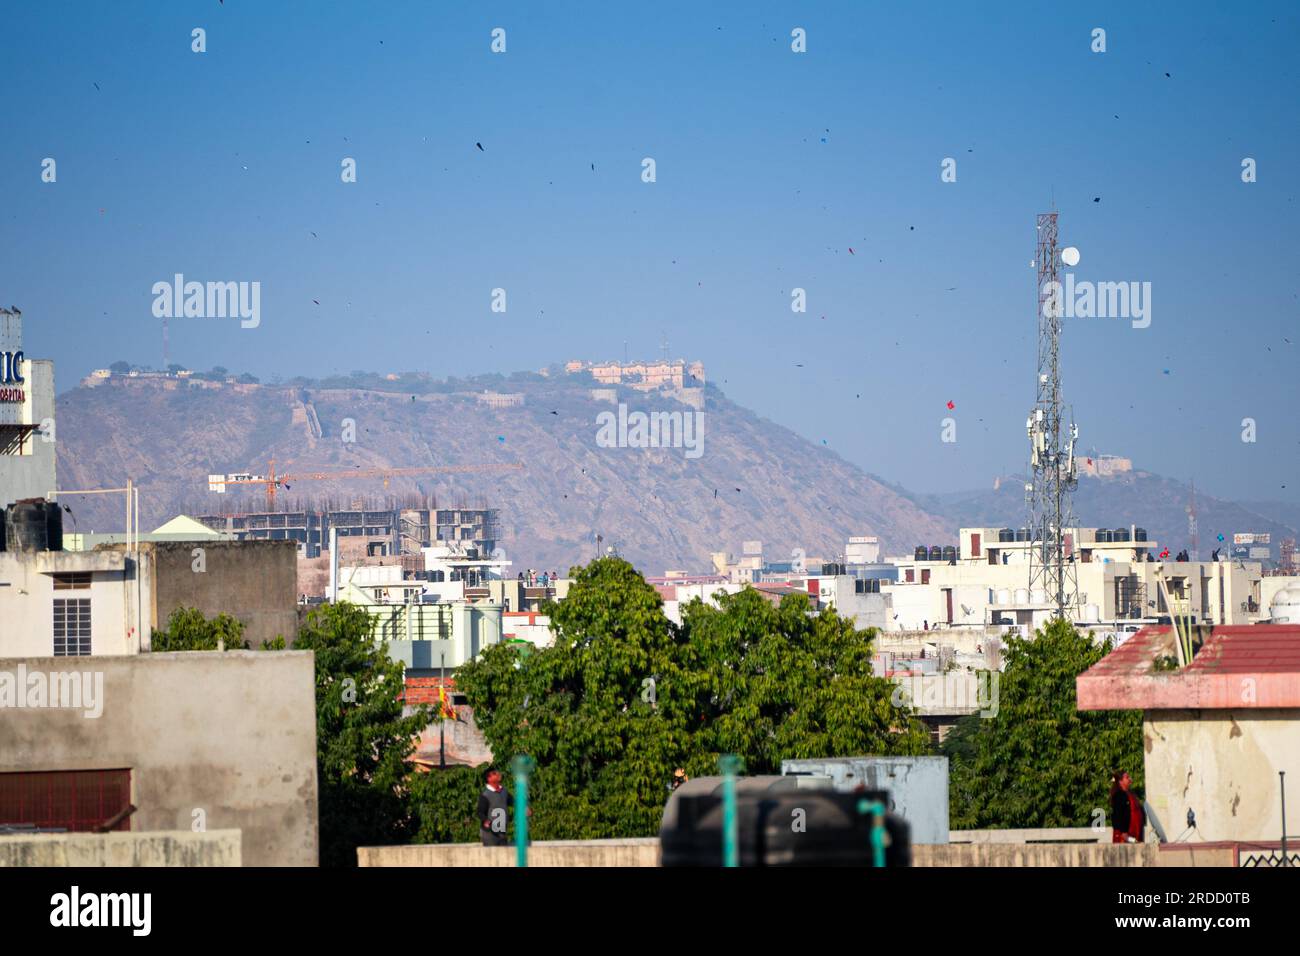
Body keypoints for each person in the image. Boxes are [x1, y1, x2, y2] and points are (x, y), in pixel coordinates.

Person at [476, 768, 511, 847]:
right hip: (489, 834)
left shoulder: (504, 791)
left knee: (503, 856)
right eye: (495, 773)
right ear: (489, 778)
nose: (498, 774)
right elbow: (480, 812)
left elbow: (513, 802)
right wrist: (486, 821)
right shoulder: (485, 795)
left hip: (502, 832)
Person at [1110, 770, 1145, 843]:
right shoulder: (1118, 795)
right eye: (1127, 777)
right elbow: (1117, 815)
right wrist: (1123, 832)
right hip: (1125, 834)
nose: (1130, 779)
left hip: (1135, 831)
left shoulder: (1131, 794)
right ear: (1120, 781)